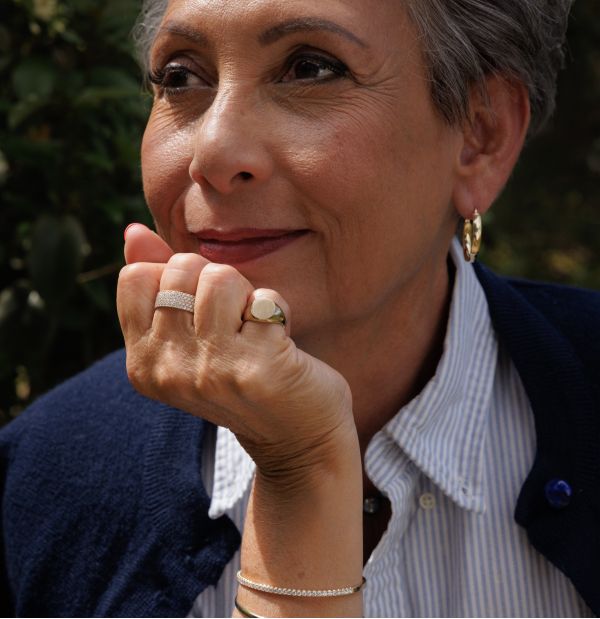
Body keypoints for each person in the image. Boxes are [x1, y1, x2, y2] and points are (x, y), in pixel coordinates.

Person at [1, 0, 599, 616]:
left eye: (310, 68)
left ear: (481, 134)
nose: (212, 153)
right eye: (180, 77)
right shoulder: (46, 479)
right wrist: (301, 468)